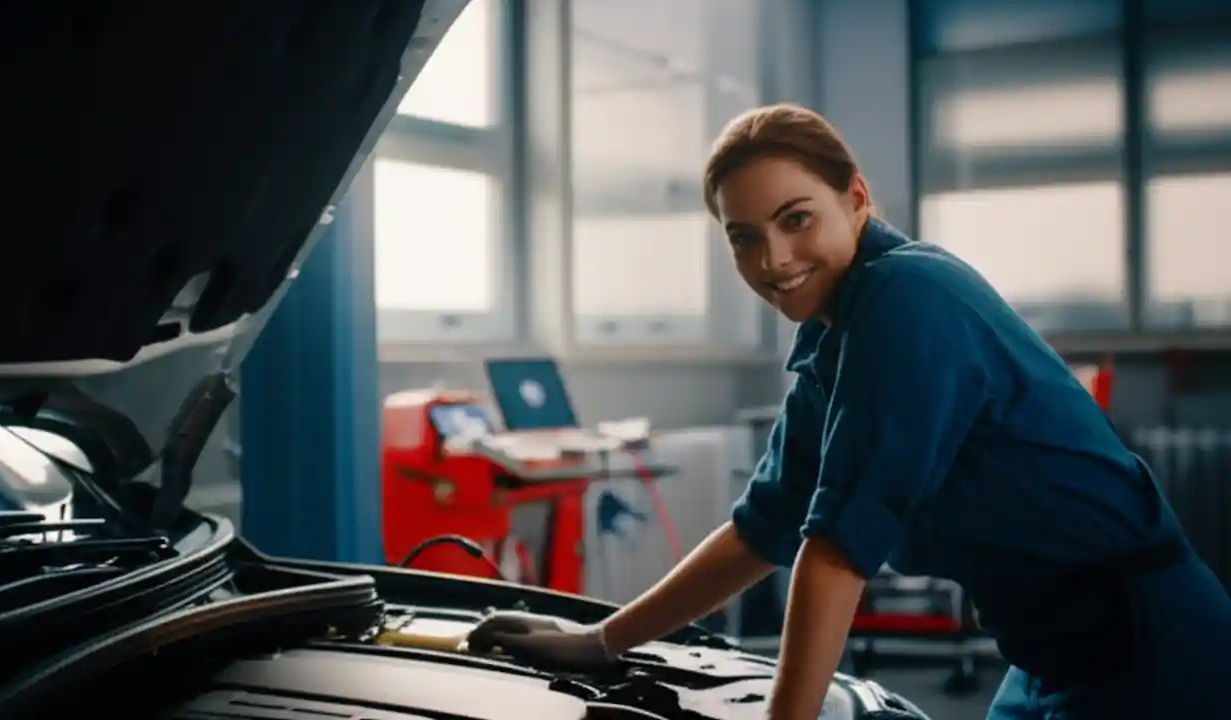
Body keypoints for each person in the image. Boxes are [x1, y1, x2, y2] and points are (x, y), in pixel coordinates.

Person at [466, 103, 1231, 719]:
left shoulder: (907, 295)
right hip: (1043, 657)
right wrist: (602, 640)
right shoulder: (832, 338)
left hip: (1148, 651)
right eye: (745, 239)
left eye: (796, 219)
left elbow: (837, 550)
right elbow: (761, 529)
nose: (773, 261)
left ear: (856, 199)